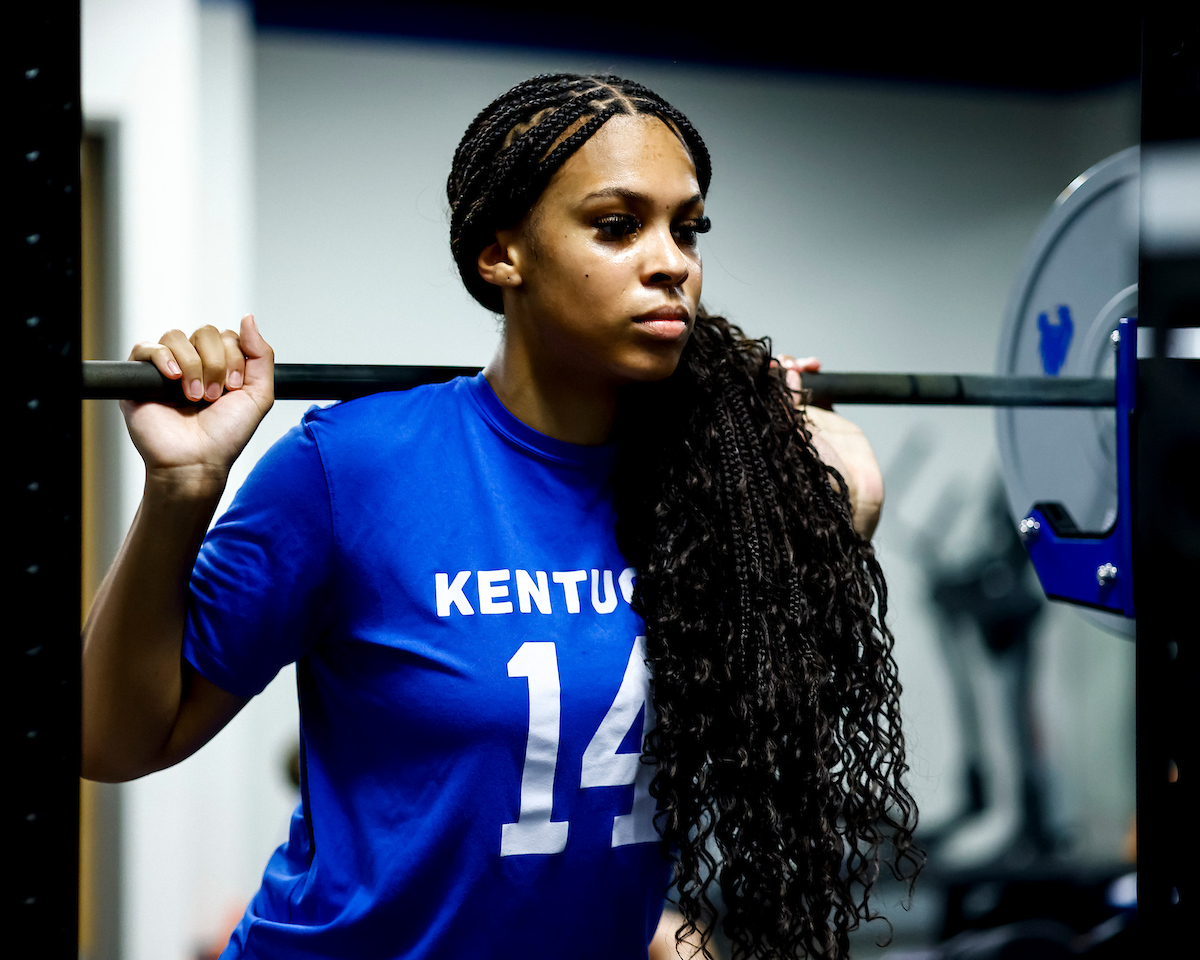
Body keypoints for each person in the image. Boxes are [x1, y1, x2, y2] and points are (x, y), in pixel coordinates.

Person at [82, 74, 918, 959]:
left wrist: (816, 491)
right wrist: (182, 489)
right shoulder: (354, 467)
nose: (671, 260)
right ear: (501, 254)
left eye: (688, 228)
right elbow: (112, 739)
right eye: (616, 225)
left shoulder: (712, 493)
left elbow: (775, 683)